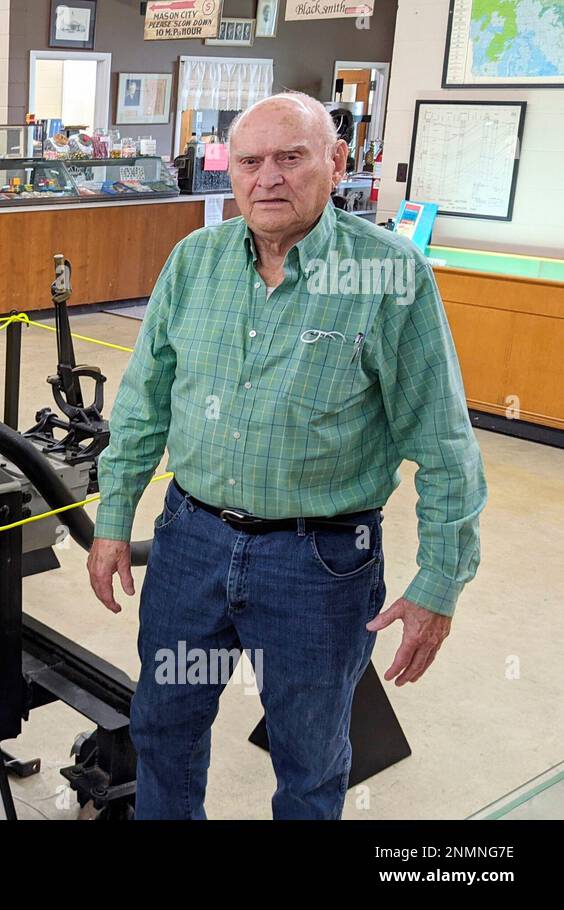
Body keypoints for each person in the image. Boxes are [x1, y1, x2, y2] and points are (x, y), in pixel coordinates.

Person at [87, 91, 486, 820]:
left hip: (317, 565)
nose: (267, 177)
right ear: (230, 171)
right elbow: (143, 403)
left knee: (309, 761)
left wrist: (439, 582)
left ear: (336, 163)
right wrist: (113, 519)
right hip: (190, 545)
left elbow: (444, 445)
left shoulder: (387, 276)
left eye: (290, 157)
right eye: (249, 161)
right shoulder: (195, 261)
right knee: (164, 729)